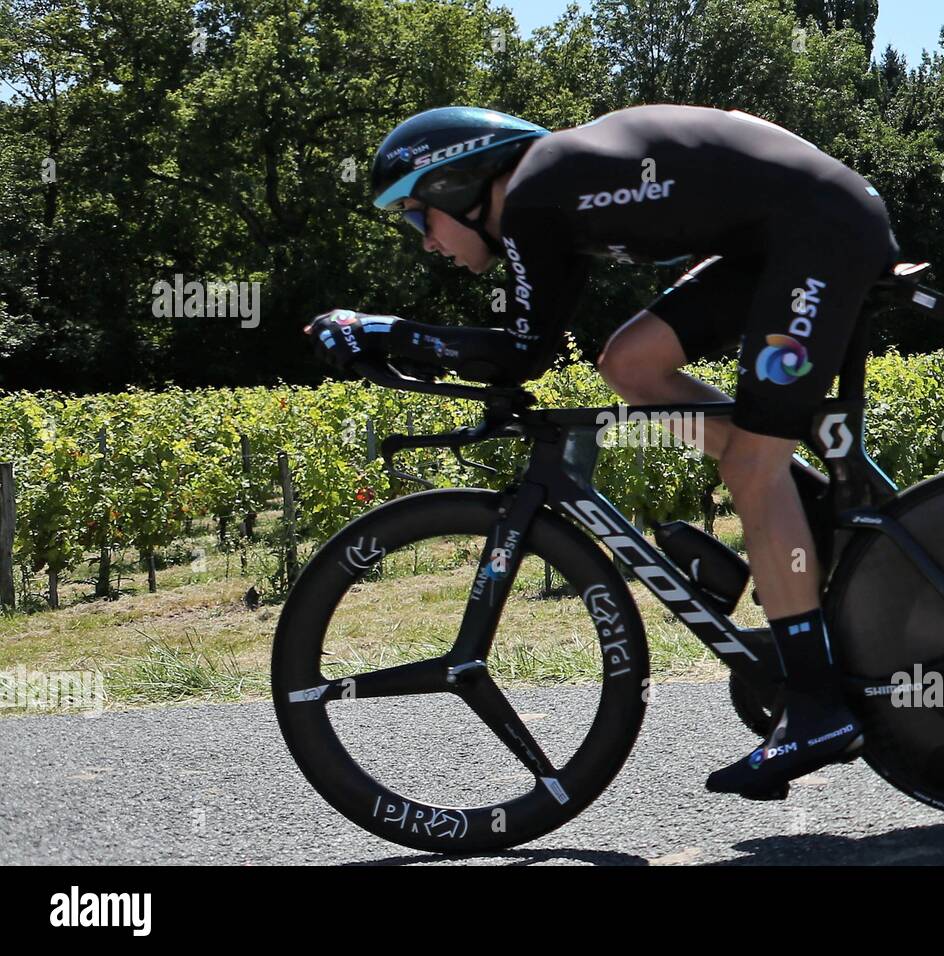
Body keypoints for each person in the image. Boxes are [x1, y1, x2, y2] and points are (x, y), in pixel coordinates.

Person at [307, 104, 901, 800]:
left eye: (415, 218)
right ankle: (800, 497)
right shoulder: (548, 196)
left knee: (749, 465)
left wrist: (384, 331)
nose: (426, 244)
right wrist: (396, 337)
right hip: (786, 233)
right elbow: (526, 349)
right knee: (630, 363)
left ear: (453, 185)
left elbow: (522, 356)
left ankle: (816, 707)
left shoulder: (533, 196)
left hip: (818, 232)